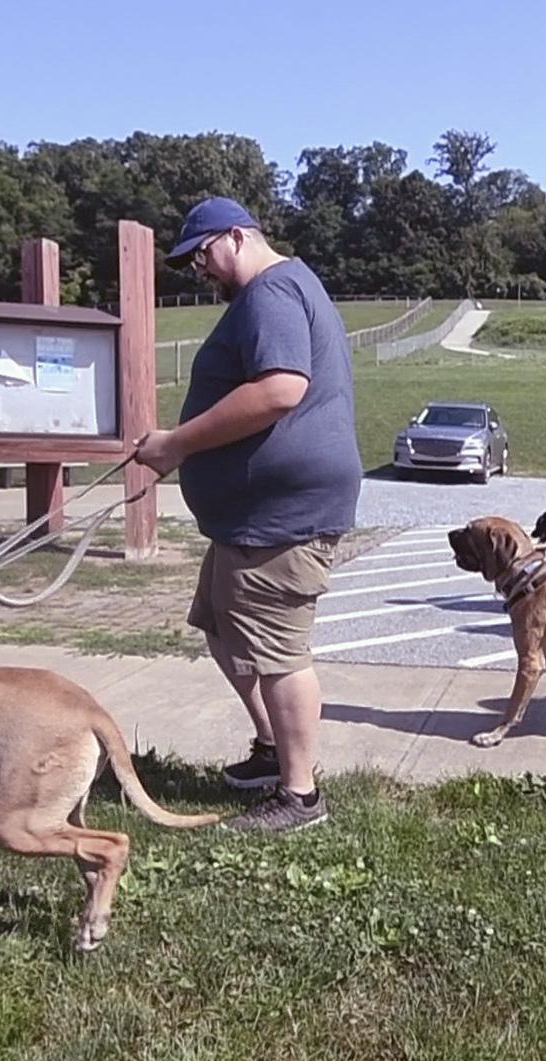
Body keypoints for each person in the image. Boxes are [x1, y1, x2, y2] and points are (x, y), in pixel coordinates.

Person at [134, 197, 362, 834]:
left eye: (202, 254)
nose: (199, 270)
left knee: (280, 651)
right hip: (252, 516)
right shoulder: (281, 289)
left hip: (282, 514)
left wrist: (177, 445)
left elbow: (279, 387)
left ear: (236, 237)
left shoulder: (270, 291)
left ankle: (300, 796)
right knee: (220, 624)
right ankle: (272, 751)